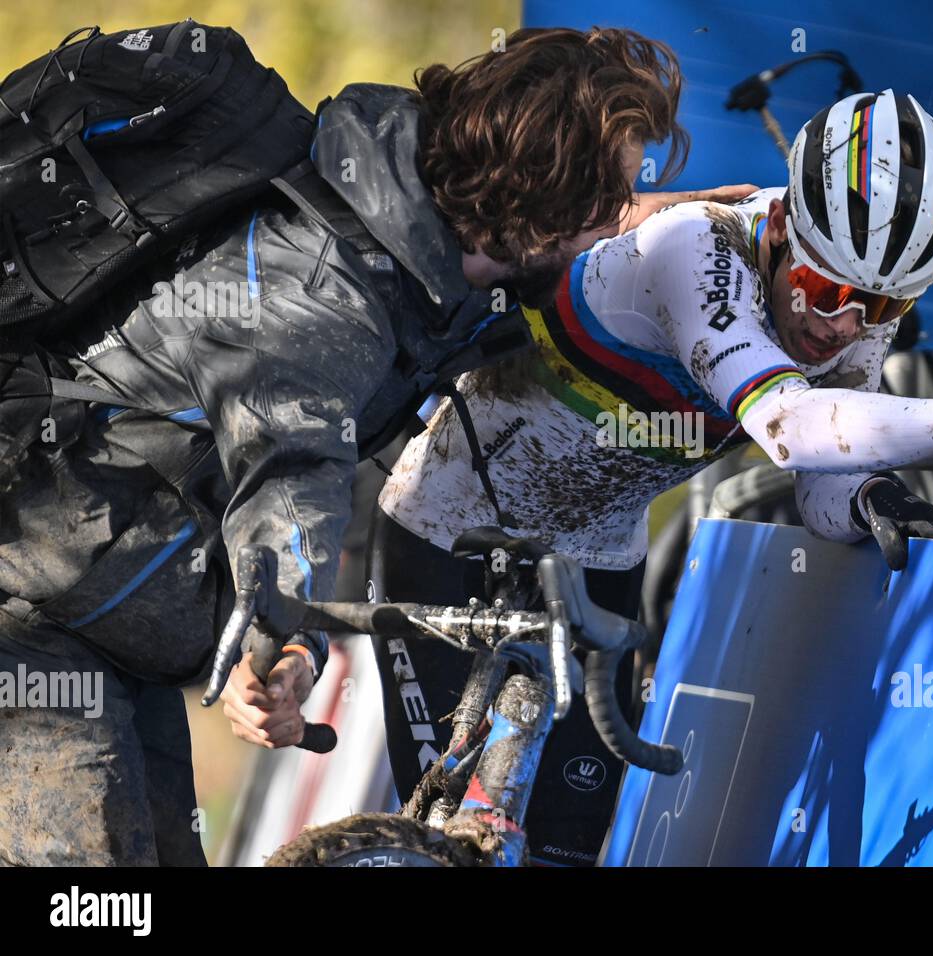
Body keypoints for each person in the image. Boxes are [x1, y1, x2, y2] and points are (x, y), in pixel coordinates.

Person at [0, 24, 739, 866]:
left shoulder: (421, 256)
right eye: (606, 200)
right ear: (538, 207)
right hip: (31, 608)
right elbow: (291, 486)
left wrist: (720, 219)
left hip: (108, 625)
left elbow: (309, 475)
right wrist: (280, 643)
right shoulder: (320, 297)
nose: (619, 222)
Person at [370, 89, 933, 866]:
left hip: (598, 555)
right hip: (450, 529)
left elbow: (825, 474)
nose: (842, 327)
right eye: (825, 292)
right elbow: (791, 427)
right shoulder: (696, 250)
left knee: (569, 851)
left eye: (882, 304)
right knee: (440, 844)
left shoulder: (850, 306)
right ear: (787, 227)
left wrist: (872, 497)